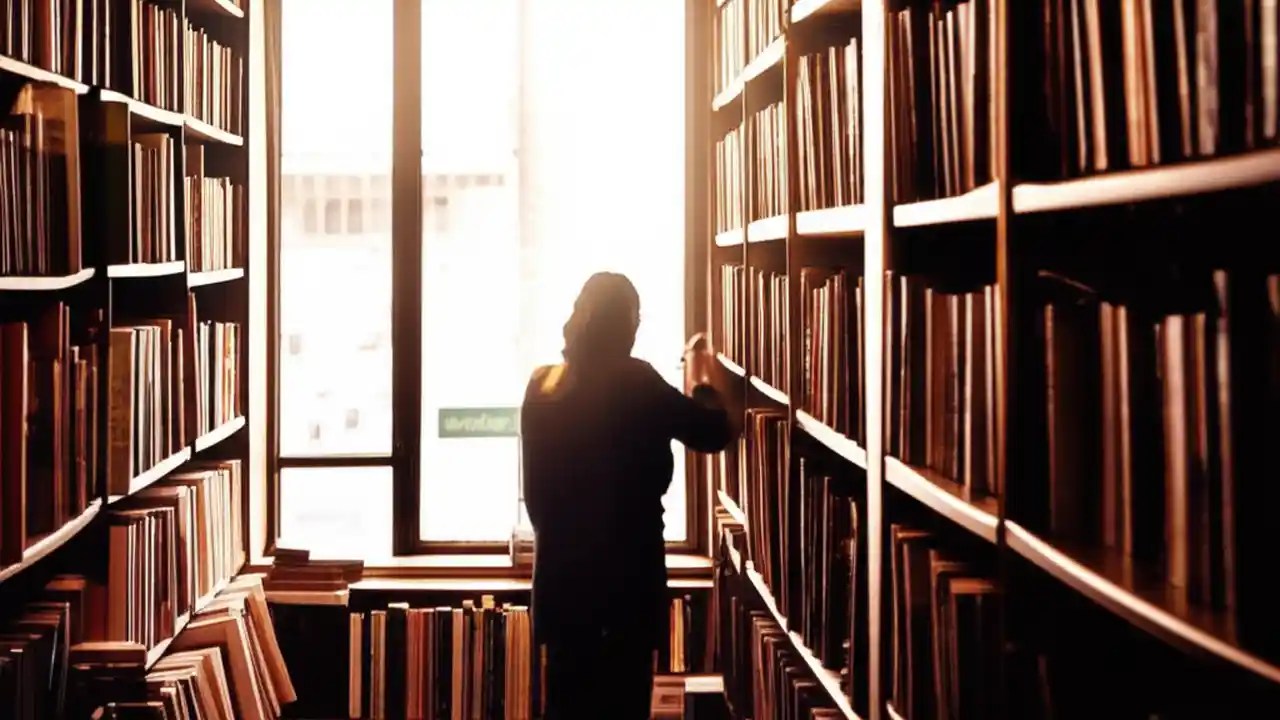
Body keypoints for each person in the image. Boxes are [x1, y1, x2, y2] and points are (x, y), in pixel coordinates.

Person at [520, 272, 743, 719]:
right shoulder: (637, 382)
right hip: (627, 591)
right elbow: (713, 431)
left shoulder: (542, 384)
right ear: (626, 324)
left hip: (563, 590)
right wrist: (704, 378)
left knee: (565, 705)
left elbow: (538, 500)